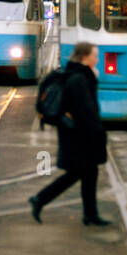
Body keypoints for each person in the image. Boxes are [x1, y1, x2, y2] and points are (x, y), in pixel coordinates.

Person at [29, 42, 111, 227]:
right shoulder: (80, 78)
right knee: (78, 173)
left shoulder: (78, 75)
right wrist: (98, 131)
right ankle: (40, 199)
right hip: (80, 136)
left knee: (88, 174)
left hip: (76, 134)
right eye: (94, 56)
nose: (96, 59)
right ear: (84, 57)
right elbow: (85, 109)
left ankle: (90, 214)